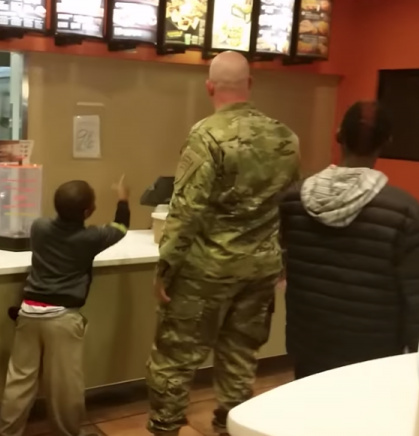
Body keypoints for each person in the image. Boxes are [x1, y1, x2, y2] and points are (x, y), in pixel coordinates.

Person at [146, 51, 301, 436]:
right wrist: (282, 261)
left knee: (175, 358)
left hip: (206, 270)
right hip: (260, 270)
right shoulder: (286, 137)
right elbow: (289, 204)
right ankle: (231, 427)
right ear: (250, 84)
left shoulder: (206, 135)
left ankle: (166, 428)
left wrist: (165, 268)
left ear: (209, 87)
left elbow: (186, 211)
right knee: (240, 356)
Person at [279, 101, 419, 379]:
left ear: (338, 135)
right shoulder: (404, 211)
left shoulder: (294, 200)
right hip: (372, 357)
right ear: (386, 142)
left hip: (308, 343)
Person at [0, 177, 131, 436]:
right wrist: (123, 199)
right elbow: (121, 228)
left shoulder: (39, 227)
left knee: (19, 381)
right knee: (65, 387)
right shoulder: (91, 238)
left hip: (28, 313)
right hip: (62, 318)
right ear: (88, 211)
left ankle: (6, 432)